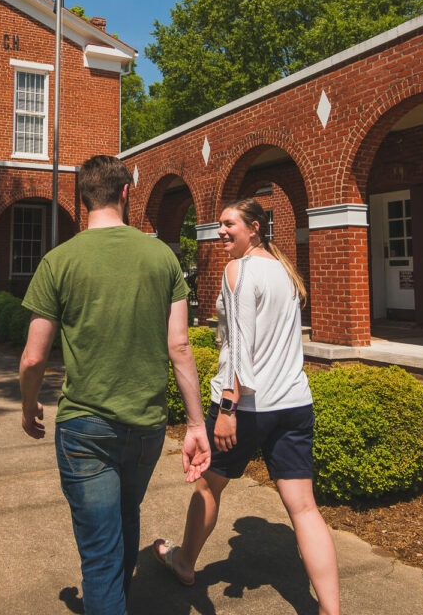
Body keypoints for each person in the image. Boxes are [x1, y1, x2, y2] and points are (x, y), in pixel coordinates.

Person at [19, 155, 212, 615]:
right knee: (125, 520)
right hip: (144, 426)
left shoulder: (58, 261)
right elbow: (180, 346)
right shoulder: (161, 255)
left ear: (83, 198)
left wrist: (28, 406)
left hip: (84, 429)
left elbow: (33, 356)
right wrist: (196, 423)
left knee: (100, 550)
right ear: (126, 193)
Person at [150, 198, 341, 615]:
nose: (220, 231)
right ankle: (331, 610)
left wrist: (229, 408)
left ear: (254, 227)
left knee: (207, 487)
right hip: (294, 404)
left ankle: (183, 562)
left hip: (247, 406)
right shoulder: (284, 272)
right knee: (305, 508)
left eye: (228, 224)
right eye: (219, 224)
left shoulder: (240, 269)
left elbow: (239, 347)